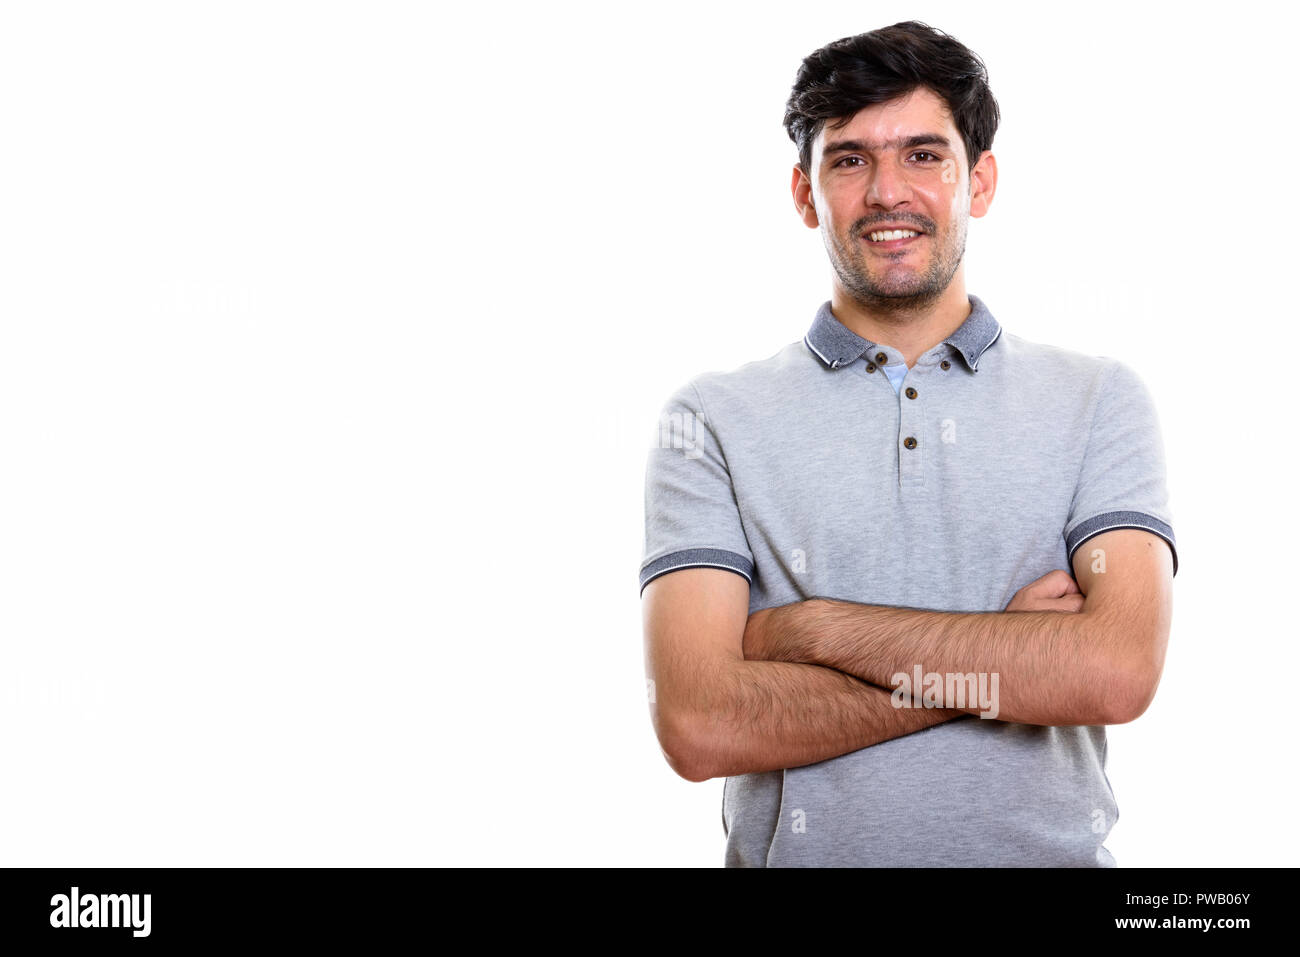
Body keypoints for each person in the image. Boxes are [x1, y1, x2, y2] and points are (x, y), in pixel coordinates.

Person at [639, 20, 1177, 867]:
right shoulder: (710, 420)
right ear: (805, 194)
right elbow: (701, 724)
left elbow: (1111, 675)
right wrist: (1008, 659)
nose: (888, 191)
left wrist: (813, 629)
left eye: (924, 155)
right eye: (849, 160)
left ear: (981, 181)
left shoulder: (1099, 400)